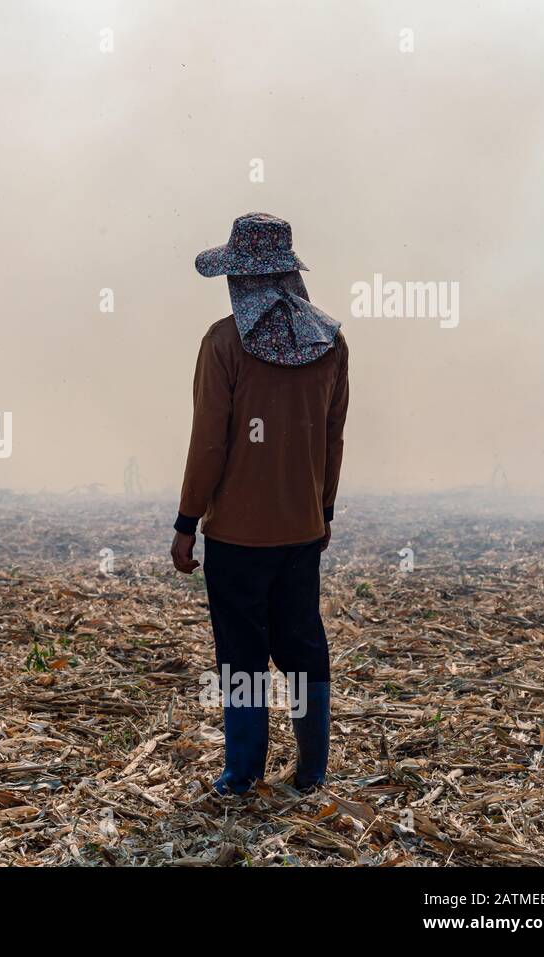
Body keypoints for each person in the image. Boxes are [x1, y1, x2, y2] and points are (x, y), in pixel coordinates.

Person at [170, 212, 349, 795]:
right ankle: (313, 771)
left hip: (237, 537)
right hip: (301, 530)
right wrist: (322, 510)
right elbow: (332, 437)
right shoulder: (331, 342)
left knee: (242, 657)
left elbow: (210, 442)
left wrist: (186, 522)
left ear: (241, 279)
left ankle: (242, 773)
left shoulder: (224, 342)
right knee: (302, 647)